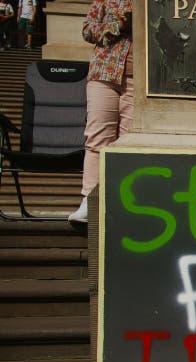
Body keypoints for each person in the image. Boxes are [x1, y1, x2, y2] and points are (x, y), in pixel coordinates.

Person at [68, 0, 133, 223]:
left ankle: (123, 203)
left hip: (140, 79)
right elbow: (88, 30)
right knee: (97, 138)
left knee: (128, 143)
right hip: (104, 74)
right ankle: (90, 200)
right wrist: (115, 24)